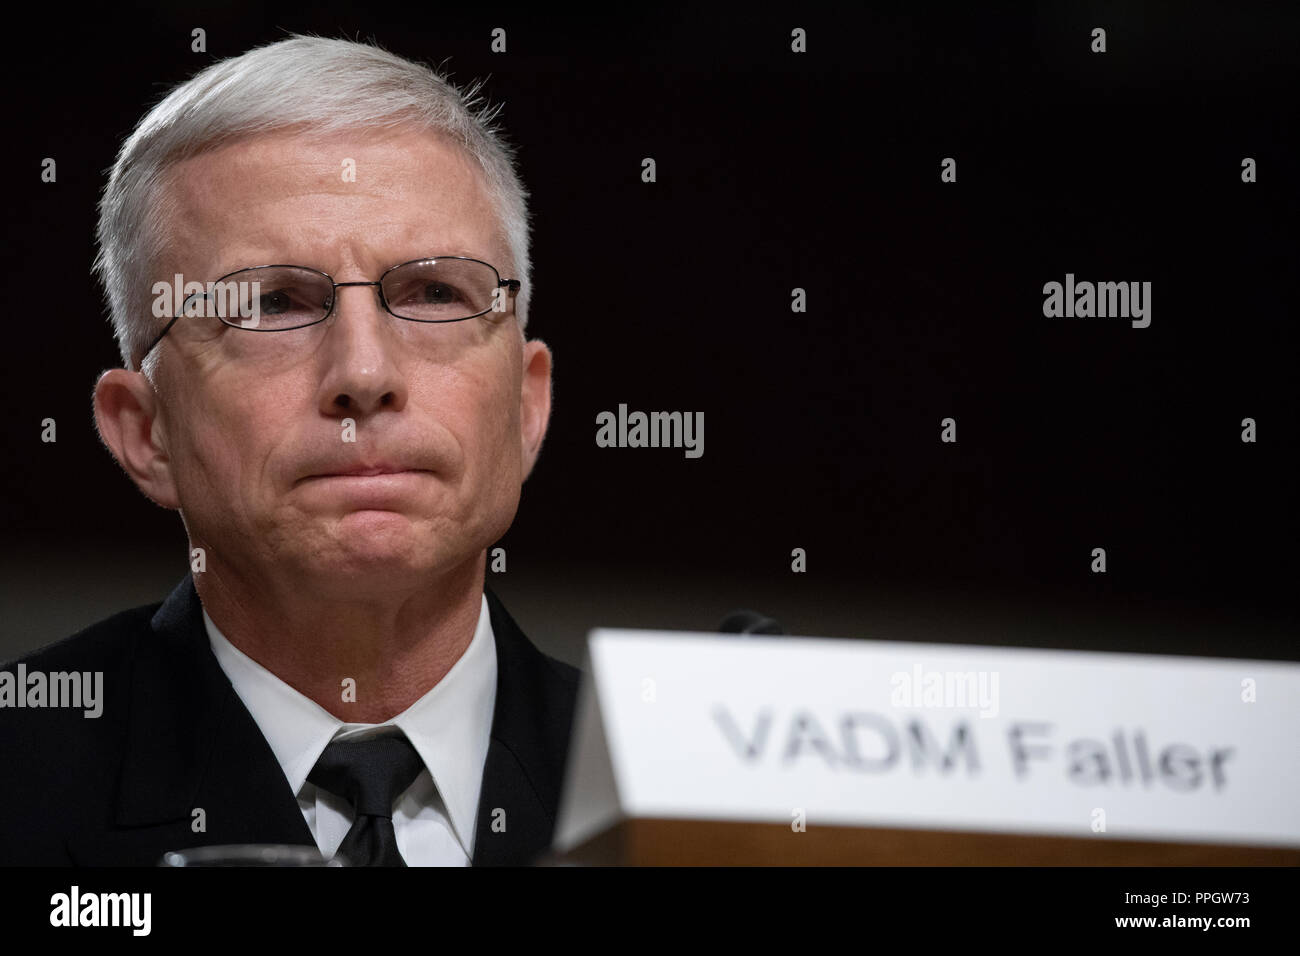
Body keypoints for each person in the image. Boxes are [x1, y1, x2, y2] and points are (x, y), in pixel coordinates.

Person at [0, 35, 577, 866]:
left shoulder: (697, 798)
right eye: (272, 302)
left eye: (435, 292)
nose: (365, 374)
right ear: (144, 430)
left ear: (527, 405)